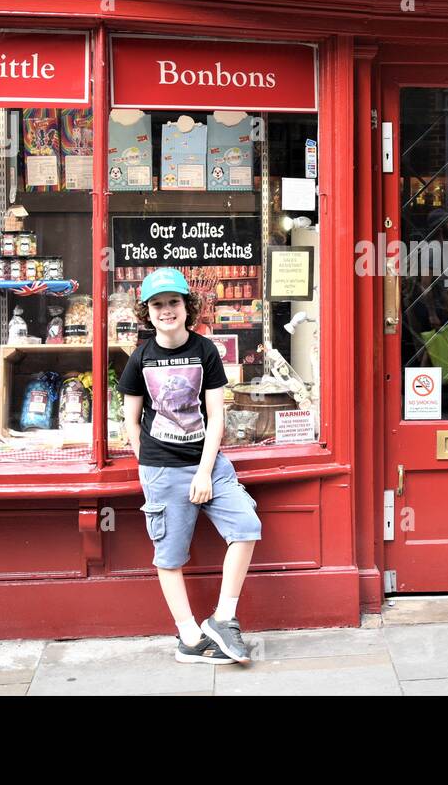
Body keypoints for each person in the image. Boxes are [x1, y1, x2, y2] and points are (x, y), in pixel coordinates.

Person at [118, 267, 261, 664]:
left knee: (247, 526)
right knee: (169, 555)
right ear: (147, 312)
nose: (166, 311)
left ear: (187, 306)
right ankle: (189, 638)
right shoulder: (140, 359)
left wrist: (204, 470)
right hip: (161, 467)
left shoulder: (204, 351)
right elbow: (131, 419)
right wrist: (149, 465)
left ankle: (223, 619)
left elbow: (216, 416)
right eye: (158, 304)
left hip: (209, 464)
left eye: (173, 303)